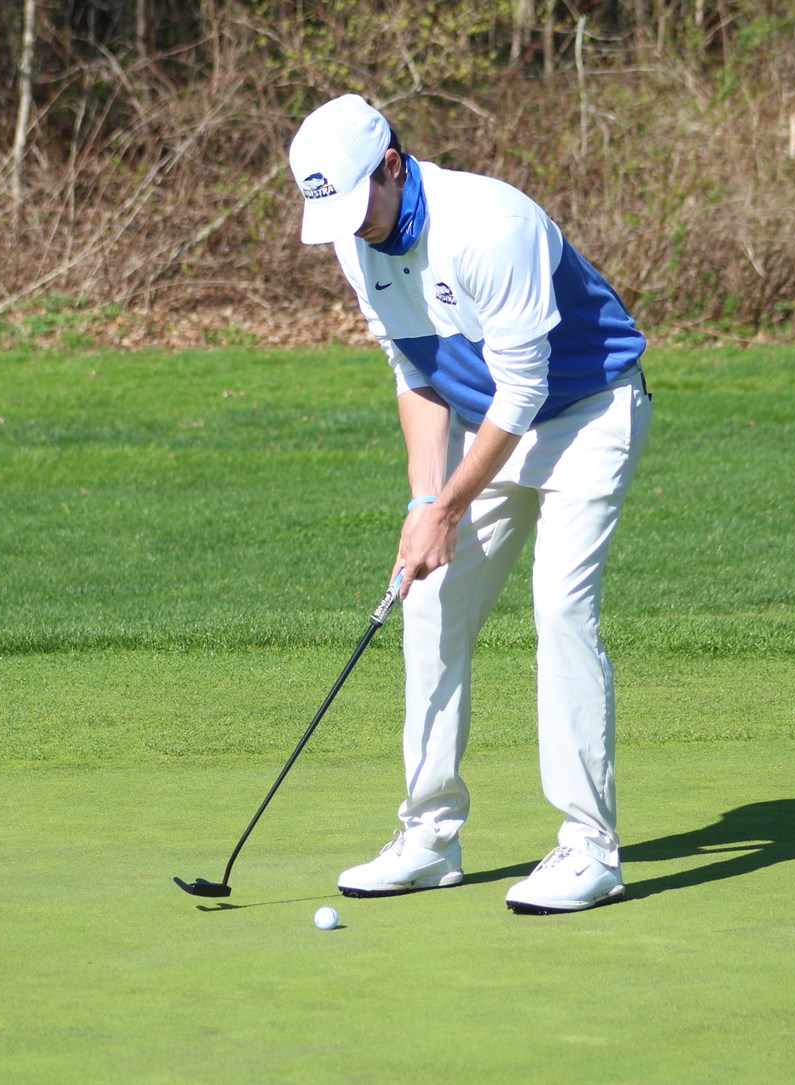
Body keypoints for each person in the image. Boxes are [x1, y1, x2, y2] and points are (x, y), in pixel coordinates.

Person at [287, 93, 652, 914]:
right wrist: (425, 499)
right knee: (429, 601)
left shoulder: (488, 222)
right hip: (495, 420)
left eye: (356, 204)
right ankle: (428, 834)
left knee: (560, 610)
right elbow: (415, 372)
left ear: (391, 165)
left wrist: (450, 506)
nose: (352, 228)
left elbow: (522, 386)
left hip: (586, 412)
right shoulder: (359, 241)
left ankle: (589, 849)